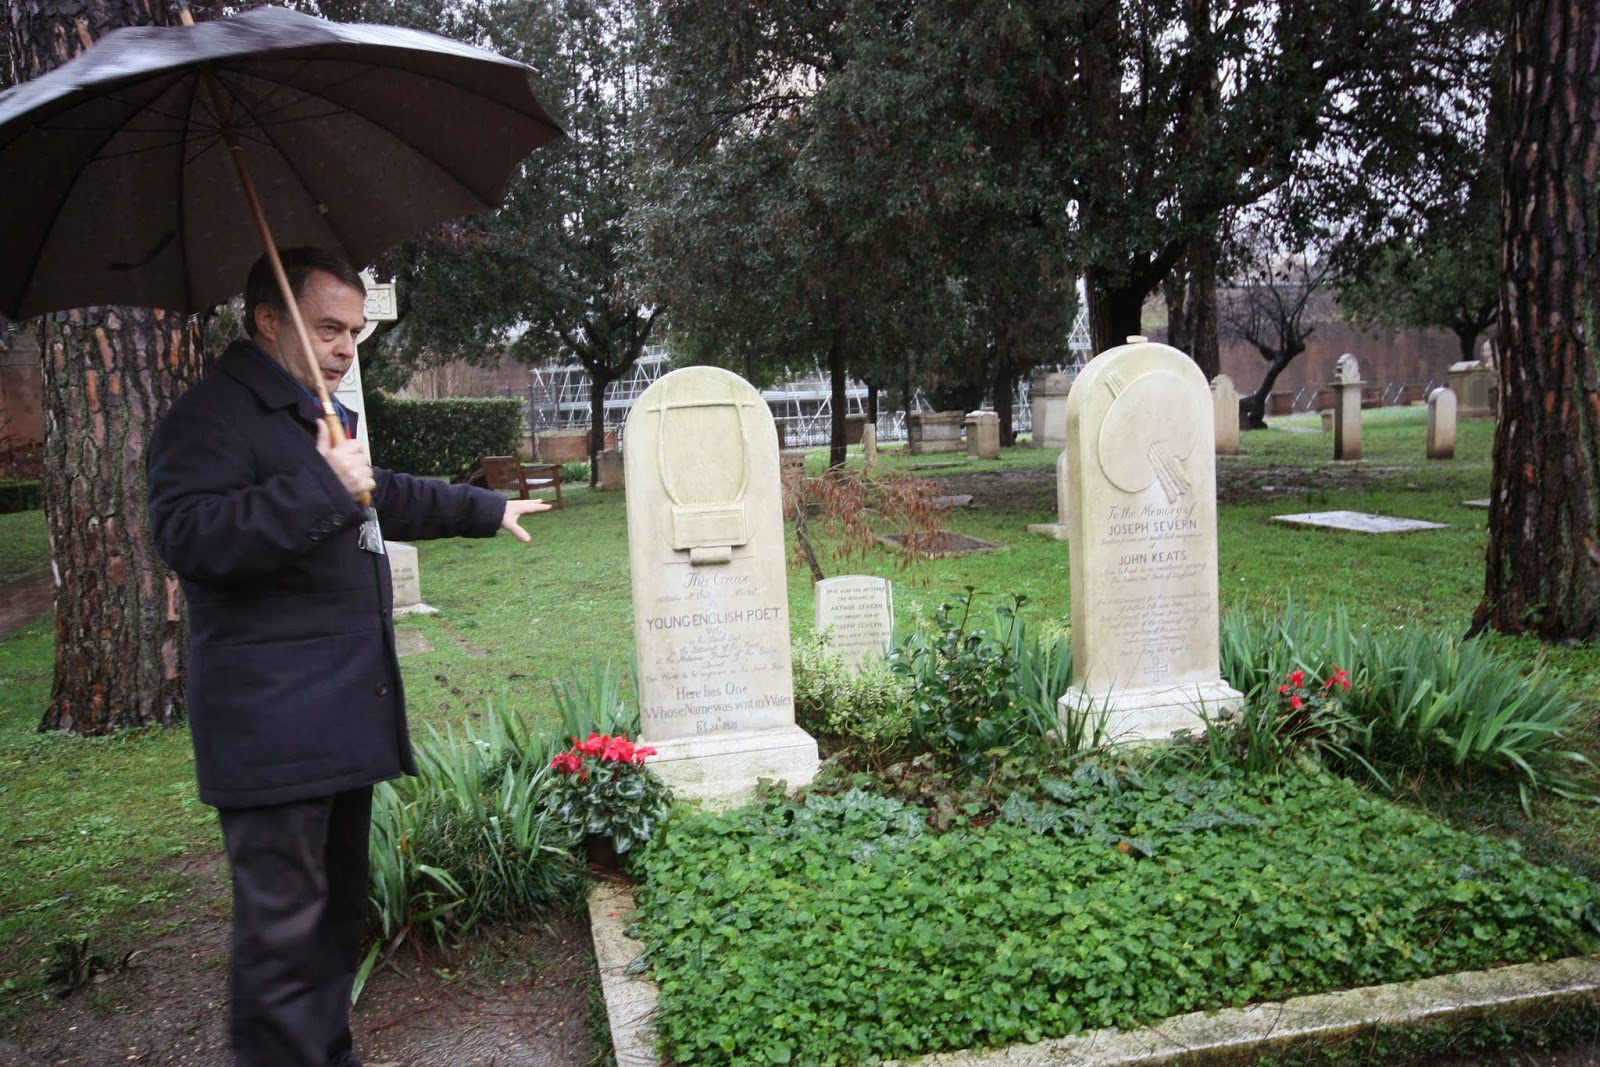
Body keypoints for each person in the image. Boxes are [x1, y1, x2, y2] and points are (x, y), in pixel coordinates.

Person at [146, 247, 549, 1067]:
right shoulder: (208, 418)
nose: (344, 348)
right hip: (272, 731)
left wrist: (484, 507)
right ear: (269, 320)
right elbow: (190, 536)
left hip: (336, 717)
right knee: (283, 940)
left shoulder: (312, 413)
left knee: (332, 923)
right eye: (328, 328)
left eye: (354, 332)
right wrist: (322, 486)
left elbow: (379, 492)